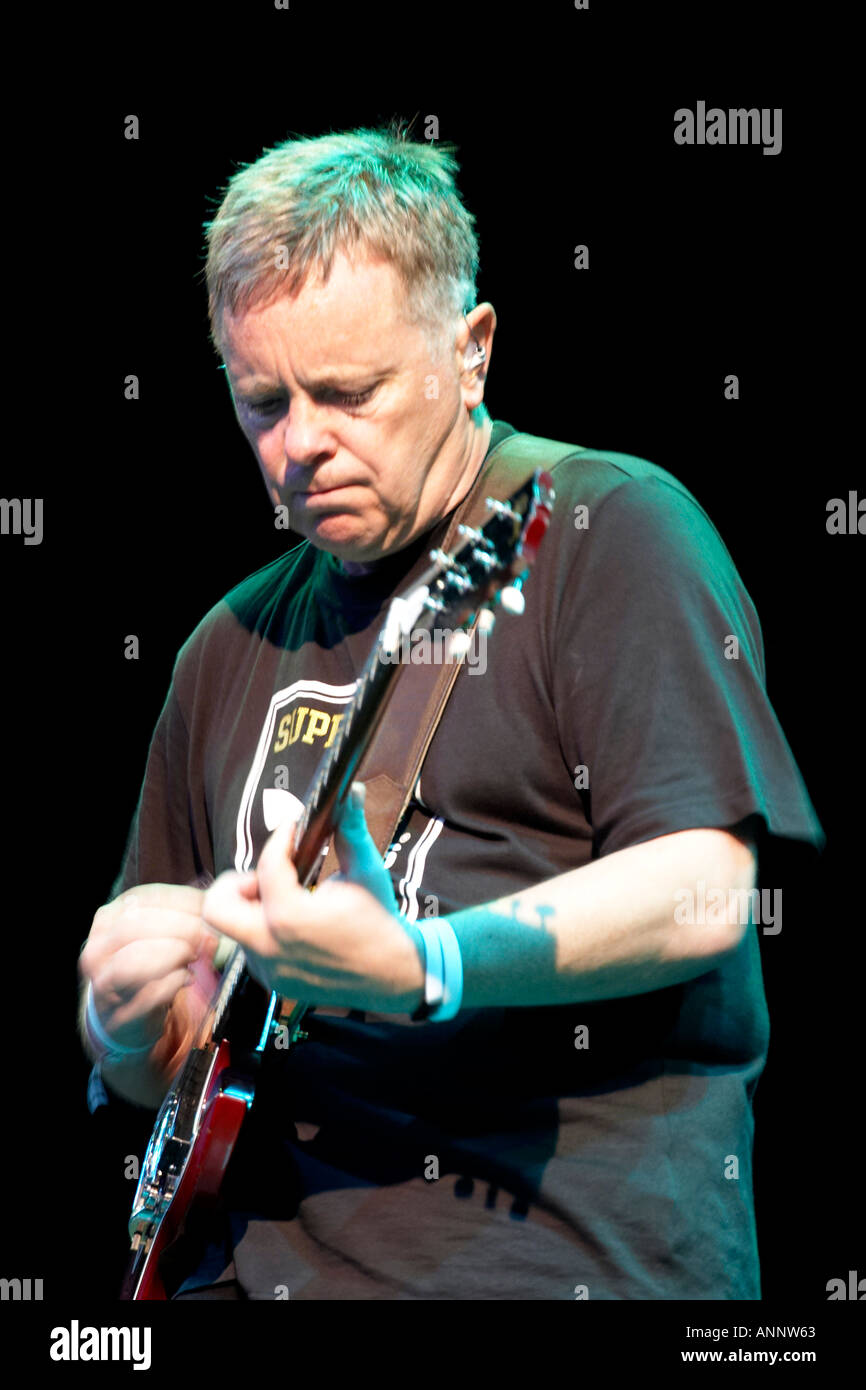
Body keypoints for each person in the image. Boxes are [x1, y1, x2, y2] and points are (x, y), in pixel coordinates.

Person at [78, 126, 824, 1300]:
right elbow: (166, 1060)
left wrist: (427, 963)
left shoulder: (604, 526)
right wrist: (124, 1023)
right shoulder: (222, 648)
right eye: (260, 399)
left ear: (468, 351)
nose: (302, 443)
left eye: (350, 392)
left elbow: (705, 890)